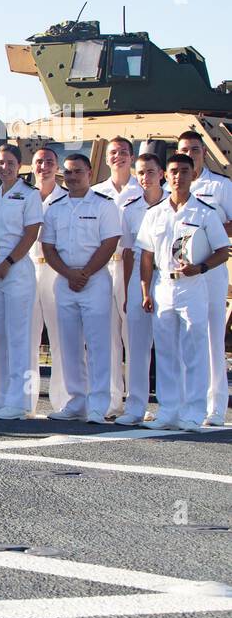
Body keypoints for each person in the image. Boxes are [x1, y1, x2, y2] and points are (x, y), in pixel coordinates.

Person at [138, 153, 230, 431]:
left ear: (193, 175)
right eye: (174, 171)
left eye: (185, 171)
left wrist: (200, 268)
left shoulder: (204, 212)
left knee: (194, 351)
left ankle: (193, 412)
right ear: (166, 175)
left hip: (192, 287)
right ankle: (168, 411)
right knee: (165, 353)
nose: (179, 176)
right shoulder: (155, 213)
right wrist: (145, 290)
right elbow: (146, 255)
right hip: (163, 285)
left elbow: (223, 251)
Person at [41, 153, 122, 423]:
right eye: (69, 172)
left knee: (99, 344)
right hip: (64, 280)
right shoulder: (55, 207)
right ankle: (76, 401)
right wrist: (68, 274)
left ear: (89, 172)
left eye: (78, 171)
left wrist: (85, 273)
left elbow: (109, 243)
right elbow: (48, 247)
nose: (73, 177)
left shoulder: (104, 205)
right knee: (69, 346)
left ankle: (99, 404)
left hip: (95, 279)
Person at [0, 143, 43, 420]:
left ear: (19, 167)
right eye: (0, 163)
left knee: (18, 338)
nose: (4, 168)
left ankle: (19, 402)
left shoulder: (29, 195)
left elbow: (30, 234)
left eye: (10, 163)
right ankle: (0, 397)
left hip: (15, 271)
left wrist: (7, 263)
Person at [174, 131, 232, 426]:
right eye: (184, 149)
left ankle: (216, 406)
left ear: (204, 153)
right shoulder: (170, 185)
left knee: (211, 338)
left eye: (195, 149)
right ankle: (186, 402)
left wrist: (209, 229)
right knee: (184, 338)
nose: (191, 153)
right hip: (180, 276)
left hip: (210, 269)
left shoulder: (221, 186)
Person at [90, 137, 142, 416]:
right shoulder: (96, 192)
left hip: (131, 266)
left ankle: (137, 400)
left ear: (131, 157)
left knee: (134, 337)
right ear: (106, 158)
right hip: (102, 267)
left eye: (123, 152)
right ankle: (112, 400)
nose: (118, 156)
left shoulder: (144, 190)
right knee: (106, 337)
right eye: (113, 153)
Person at [115, 152, 167, 425]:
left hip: (168, 276)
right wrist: (126, 291)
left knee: (171, 344)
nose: (145, 177)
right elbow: (126, 253)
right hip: (137, 277)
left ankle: (173, 406)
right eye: (141, 172)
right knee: (137, 346)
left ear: (162, 174)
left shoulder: (175, 204)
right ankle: (135, 406)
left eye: (150, 171)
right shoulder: (130, 207)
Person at [28, 145, 69, 415]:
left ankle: (64, 401)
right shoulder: (22, 196)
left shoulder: (67, 198)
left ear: (57, 167)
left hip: (56, 272)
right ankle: (24, 401)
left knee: (61, 340)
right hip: (27, 271)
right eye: (39, 162)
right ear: (32, 167)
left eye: (49, 162)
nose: (44, 166)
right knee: (26, 340)